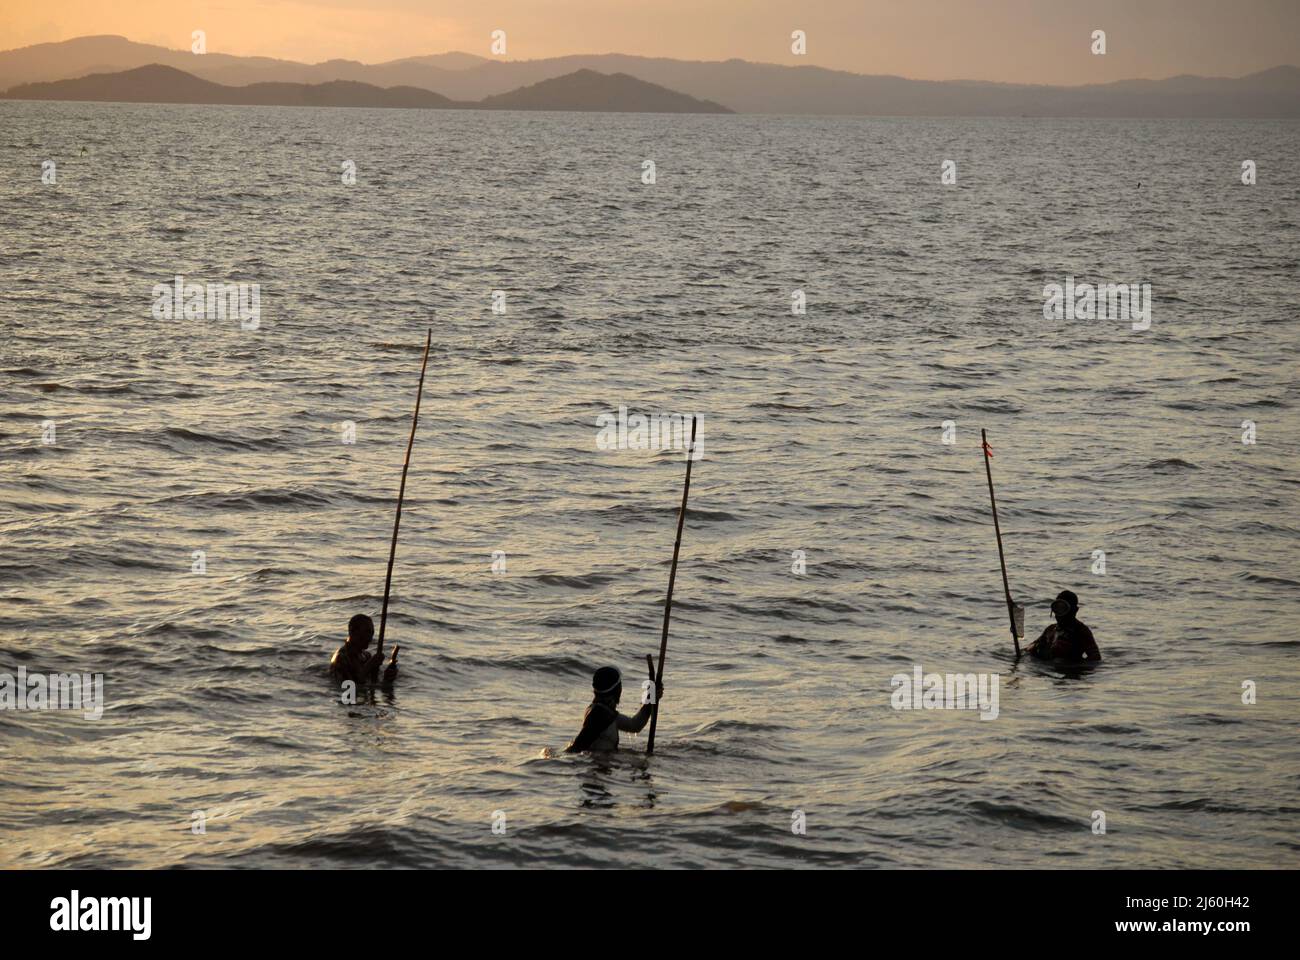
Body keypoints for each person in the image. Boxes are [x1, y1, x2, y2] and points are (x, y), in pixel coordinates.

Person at [565, 666, 663, 753]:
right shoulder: (601, 714)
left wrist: (651, 699)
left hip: (595, 767)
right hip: (598, 767)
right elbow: (578, 746)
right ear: (618, 690)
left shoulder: (599, 711)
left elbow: (635, 725)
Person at [1027, 590, 1101, 662]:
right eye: (1057, 608)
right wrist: (1035, 647)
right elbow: (1029, 647)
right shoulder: (1051, 629)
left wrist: (1072, 665)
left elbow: (1095, 659)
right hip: (1048, 671)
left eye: (1063, 608)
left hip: (1069, 672)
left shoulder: (1081, 631)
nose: (1059, 614)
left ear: (1075, 610)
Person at [330, 614, 398, 686]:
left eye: (372, 633)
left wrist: (386, 679)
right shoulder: (340, 658)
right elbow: (349, 686)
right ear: (352, 631)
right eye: (367, 632)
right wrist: (370, 665)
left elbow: (373, 683)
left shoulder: (366, 656)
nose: (370, 638)